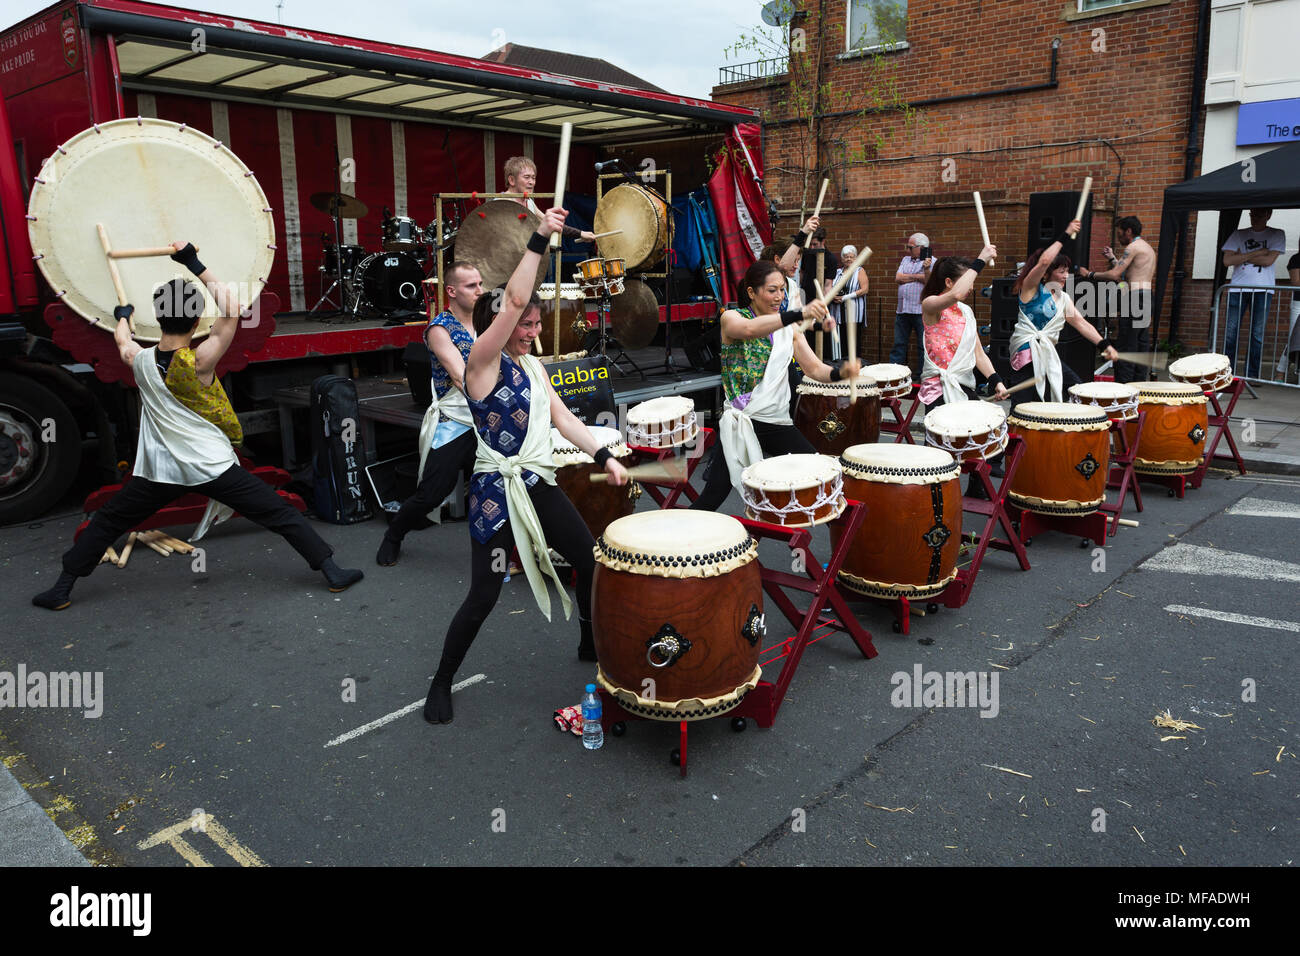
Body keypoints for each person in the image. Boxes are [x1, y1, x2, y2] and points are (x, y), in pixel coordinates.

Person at [33, 242, 363, 610]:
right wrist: (192, 261)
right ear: (195, 322)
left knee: (109, 521)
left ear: (158, 317)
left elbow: (122, 340)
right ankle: (331, 570)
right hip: (209, 465)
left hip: (161, 470)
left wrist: (123, 315)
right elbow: (233, 310)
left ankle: (62, 588)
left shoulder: (138, 361)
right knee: (279, 514)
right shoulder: (200, 361)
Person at [423, 207, 629, 725]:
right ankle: (442, 681)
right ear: (502, 322)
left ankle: (589, 643)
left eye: (536, 324)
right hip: (496, 490)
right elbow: (514, 298)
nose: (531, 332)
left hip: (537, 483)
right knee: (484, 594)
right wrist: (540, 235)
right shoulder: (481, 363)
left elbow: (562, 419)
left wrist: (603, 454)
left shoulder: (533, 366)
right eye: (524, 323)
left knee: (589, 559)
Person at [690, 260, 860, 513]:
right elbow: (748, 330)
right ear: (751, 292)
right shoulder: (732, 318)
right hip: (742, 421)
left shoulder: (789, 327)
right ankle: (677, 538)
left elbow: (814, 369)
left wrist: (841, 373)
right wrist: (798, 314)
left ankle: (842, 530)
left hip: (775, 421)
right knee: (714, 493)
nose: (779, 296)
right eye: (772, 290)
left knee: (818, 472)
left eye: (782, 289)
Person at [376, 261, 482, 566]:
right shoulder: (439, 329)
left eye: (480, 283)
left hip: (487, 419)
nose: (480, 290)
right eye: (471, 286)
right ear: (451, 291)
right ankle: (394, 534)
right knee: (432, 494)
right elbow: (461, 378)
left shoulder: (487, 322)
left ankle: (503, 554)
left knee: (502, 486)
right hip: (457, 419)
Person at [1009, 221, 1119, 409]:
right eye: (1061, 271)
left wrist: (1105, 344)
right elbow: (1044, 261)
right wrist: (1066, 233)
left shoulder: (1063, 297)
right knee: (1021, 409)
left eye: (1068, 271)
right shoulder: (1030, 289)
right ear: (1046, 274)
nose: (1066, 276)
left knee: (1074, 388)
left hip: (1047, 355)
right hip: (1026, 357)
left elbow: (1080, 323)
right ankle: (1014, 438)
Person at [919, 247, 1009, 409]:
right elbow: (956, 294)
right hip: (938, 390)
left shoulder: (966, 311)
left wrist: (996, 381)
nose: (971, 287)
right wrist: (981, 259)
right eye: (967, 281)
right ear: (949, 282)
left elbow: (979, 354)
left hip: (965, 385)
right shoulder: (929, 304)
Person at [1077, 215, 1155, 383]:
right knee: (1141, 346)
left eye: (1120, 233)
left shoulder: (1132, 247)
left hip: (1134, 299)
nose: (1118, 237)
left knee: (1126, 346)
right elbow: (1130, 273)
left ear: (1128, 231)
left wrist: (1089, 274)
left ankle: (1123, 388)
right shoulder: (1146, 248)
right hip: (1147, 298)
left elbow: (1115, 275)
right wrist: (1113, 258)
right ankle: (1139, 386)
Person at [1221, 208, 1285, 379]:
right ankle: (1227, 374)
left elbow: (1269, 260)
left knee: (1257, 334)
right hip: (1238, 288)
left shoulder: (1277, 234)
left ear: (1268, 215)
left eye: (1259, 215)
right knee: (1230, 333)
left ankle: (1252, 375)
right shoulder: (1238, 234)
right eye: (1252, 215)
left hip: (1263, 289)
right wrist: (1258, 252)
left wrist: (1241, 256)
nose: (1254, 218)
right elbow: (1227, 260)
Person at [499, 155, 595, 243]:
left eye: (533, 178)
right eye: (527, 177)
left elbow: (551, 223)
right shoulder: (501, 203)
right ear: (511, 180)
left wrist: (581, 233)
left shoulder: (529, 202)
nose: (531, 182)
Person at [891, 233, 933, 369]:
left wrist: (921, 273)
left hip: (920, 311)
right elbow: (898, 278)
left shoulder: (932, 261)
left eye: (911, 247)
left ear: (921, 248)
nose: (908, 250)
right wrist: (917, 277)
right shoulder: (905, 260)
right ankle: (895, 374)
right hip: (902, 309)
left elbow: (929, 282)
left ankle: (922, 376)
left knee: (923, 347)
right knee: (899, 344)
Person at [830, 244, 868, 361]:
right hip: (837, 313)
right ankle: (841, 367)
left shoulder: (859, 271)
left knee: (853, 342)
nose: (849, 259)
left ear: (856, 258)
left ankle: (855, 367)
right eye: (846, 257)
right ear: (841, 259)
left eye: (851, 257)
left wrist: (845, 297)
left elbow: (865, 289)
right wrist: (833, 296)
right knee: (840, 342)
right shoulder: (837, 272)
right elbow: (829, 287)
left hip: (853, 313)